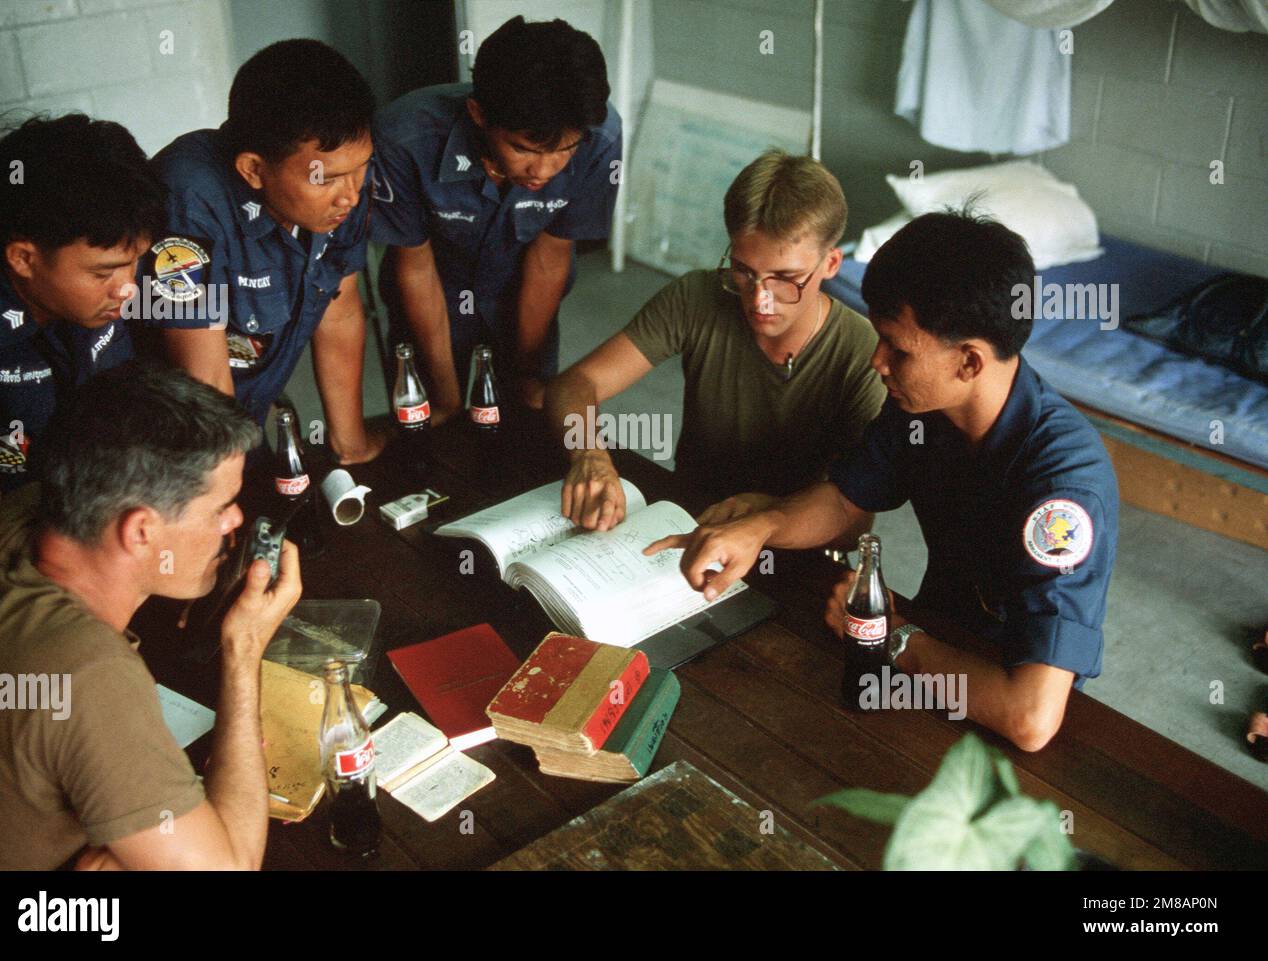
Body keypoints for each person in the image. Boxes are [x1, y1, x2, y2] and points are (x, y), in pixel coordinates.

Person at [647, 210, 1120, 753]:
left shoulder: (1063, 490)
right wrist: (762, 527)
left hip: (992, 700)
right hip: (924, 649)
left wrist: (888, 634)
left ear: (969, 362)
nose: (877, 362)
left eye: (898, 348)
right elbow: (847, 500)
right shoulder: (924, 405)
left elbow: (1030, 718)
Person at [0, 364, 300, 870]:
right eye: (221, 507)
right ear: (141, 531)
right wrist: (244, 648)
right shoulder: (90, 676)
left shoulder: (17, 516)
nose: (236, 521)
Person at [547, 150, 886, 530]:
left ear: (832, 264)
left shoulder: (866, 351)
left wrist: (768, 515)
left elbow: (852, 515)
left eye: (785, 278)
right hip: (689, 519)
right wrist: (589, 453)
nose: (760, 300)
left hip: (798, 542)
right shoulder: (696, 297)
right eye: (743, 271)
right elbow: (575, 385)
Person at [136, 39, 384, 464]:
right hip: (165, 451)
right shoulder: (187, 198)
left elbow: (339, 310)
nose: (352, 195)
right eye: (327, 180)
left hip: (242, 427)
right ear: (253, 169)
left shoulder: (345, 190)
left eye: (362, 168)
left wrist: (351, 445)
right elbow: (205, 378)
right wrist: (225, 501)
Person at [371, 15, 621, 420]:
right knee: (428, 421)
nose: (544, 171)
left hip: (524, 294)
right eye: (524, 150)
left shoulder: (600, 136)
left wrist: (526, 375)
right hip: (432, 291)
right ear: (478, 113)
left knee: (525, 416)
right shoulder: (404, 139)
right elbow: (415, 268)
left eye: (565, 150)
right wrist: (447, 395)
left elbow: (550, 258)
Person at [0, 114, 163, 524]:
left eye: (135, 263)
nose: (127, 290)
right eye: (102, 273)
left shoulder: (112, 255)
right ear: (23, 258)